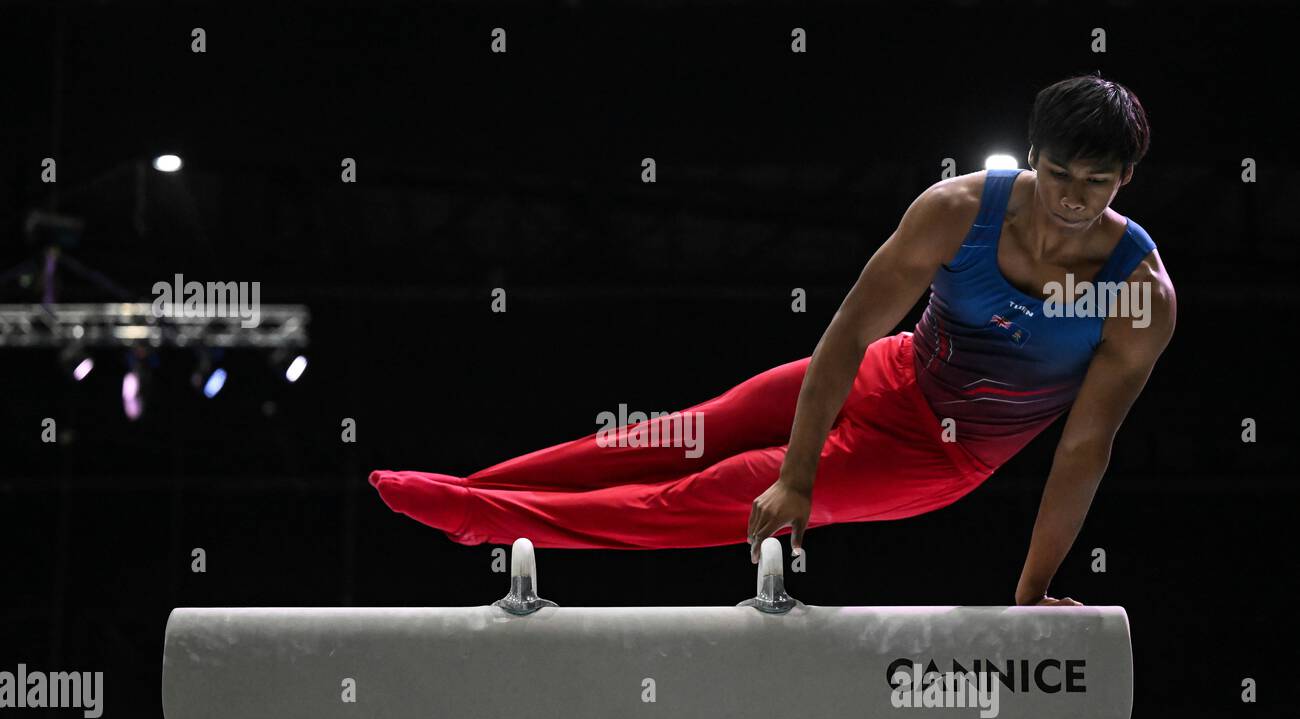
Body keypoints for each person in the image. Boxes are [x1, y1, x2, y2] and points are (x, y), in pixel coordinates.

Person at [369, 74, 1175, 606]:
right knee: (672, 437)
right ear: (1033, 155)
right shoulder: (958, 210)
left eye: (1096, 182)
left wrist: (1032, 595)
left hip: (939, 456)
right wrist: (800, 473)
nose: (1074, 197)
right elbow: (850, 333)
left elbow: (1083, 449)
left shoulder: (1140, 294)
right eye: (1061, 174)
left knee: (720, 492)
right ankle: (470, 494)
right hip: (887, 374)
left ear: (1126, 179)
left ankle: (488, 521)